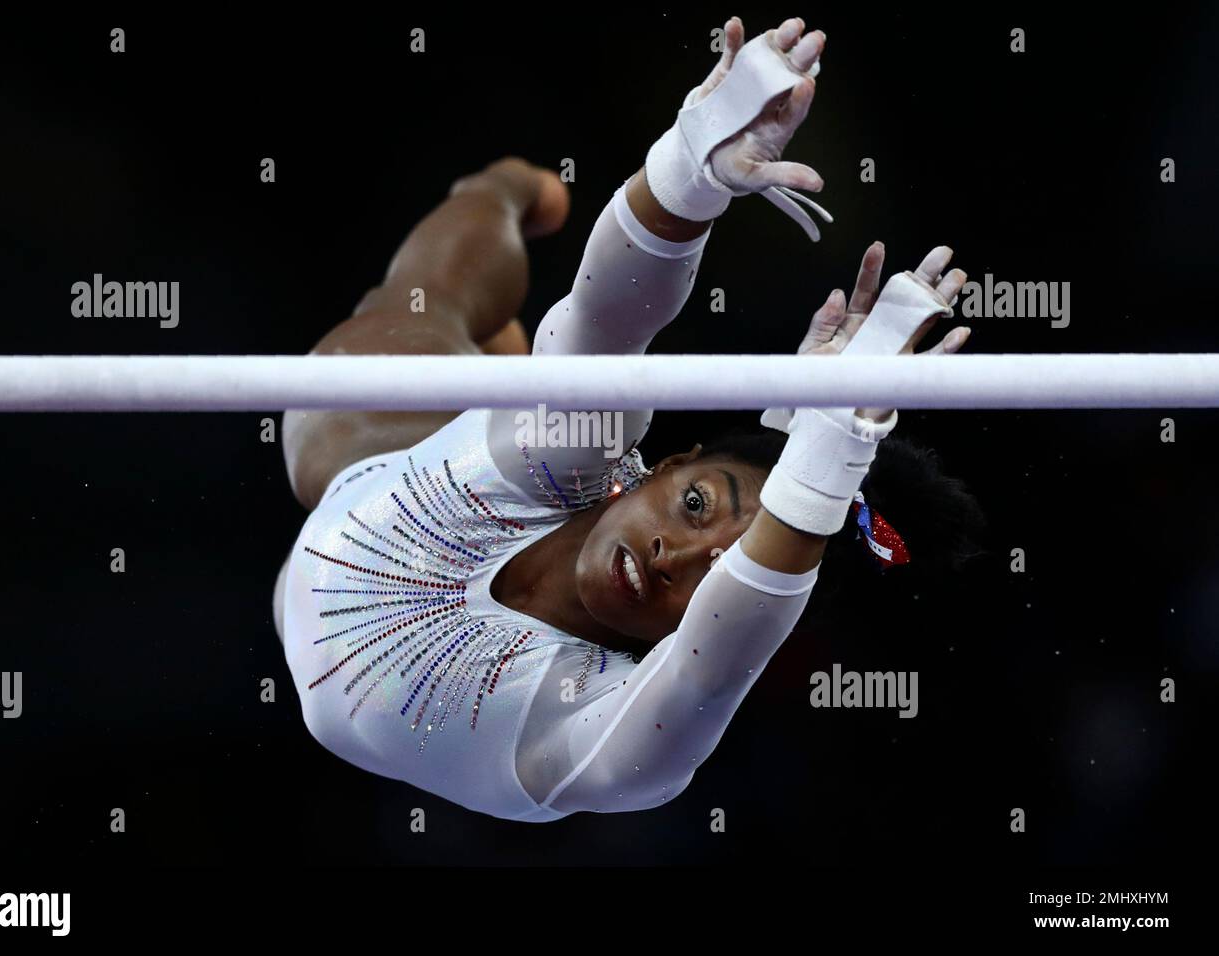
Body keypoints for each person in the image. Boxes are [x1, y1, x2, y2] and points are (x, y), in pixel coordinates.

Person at [275, 15, 979, 821]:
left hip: (328, 582)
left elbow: (722, 654)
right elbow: (606, 322)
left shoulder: (615, 733)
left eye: (715, 575)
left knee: (517, 379)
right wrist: (689, 173)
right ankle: (505, 188)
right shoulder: (580, 453)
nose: (674, 555)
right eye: (694, 505)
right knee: (396, 337)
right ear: (670, 464)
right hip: (378, 466)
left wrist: (835, 449)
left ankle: (506, 350)